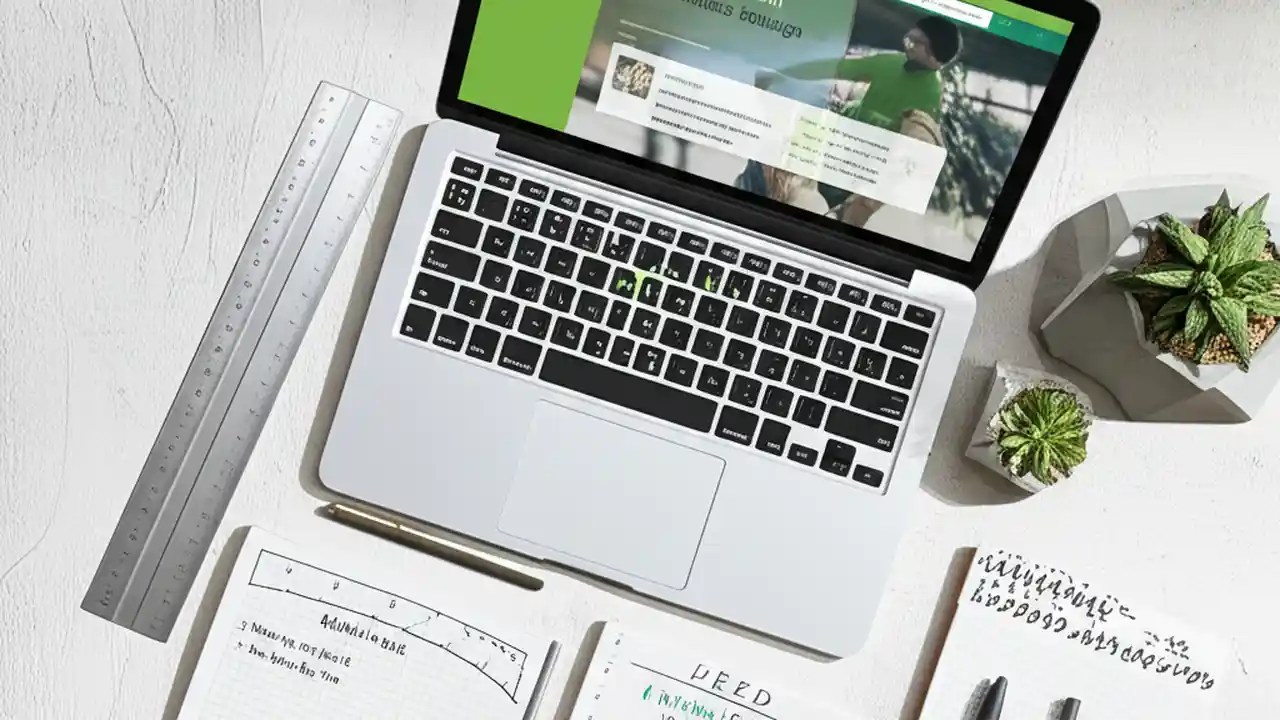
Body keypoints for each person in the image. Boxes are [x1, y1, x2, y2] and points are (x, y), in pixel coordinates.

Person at [761, 15, 963, 132]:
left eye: (917, 43)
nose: (908, 46)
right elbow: (833, 67)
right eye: (909, 39)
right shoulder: (890, 63)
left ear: (936, 59)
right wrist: (780, 74)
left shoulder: (932, 97)